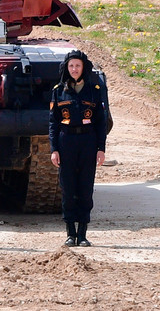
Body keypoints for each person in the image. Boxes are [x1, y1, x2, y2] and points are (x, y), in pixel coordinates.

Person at [49, 50, 108, 247]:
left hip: (88, 141)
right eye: (71, 66)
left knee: (85, 188)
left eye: (78, 66)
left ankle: (82, 234)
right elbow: (53, 123)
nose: (74, 69)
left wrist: (101, 148)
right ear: (67, 68)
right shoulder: (59, 90)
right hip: (66, 141)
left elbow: (101, 122)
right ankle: (70, 233)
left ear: (84, 68)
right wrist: (54, 149)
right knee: (67, 188)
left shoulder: (94, 89)